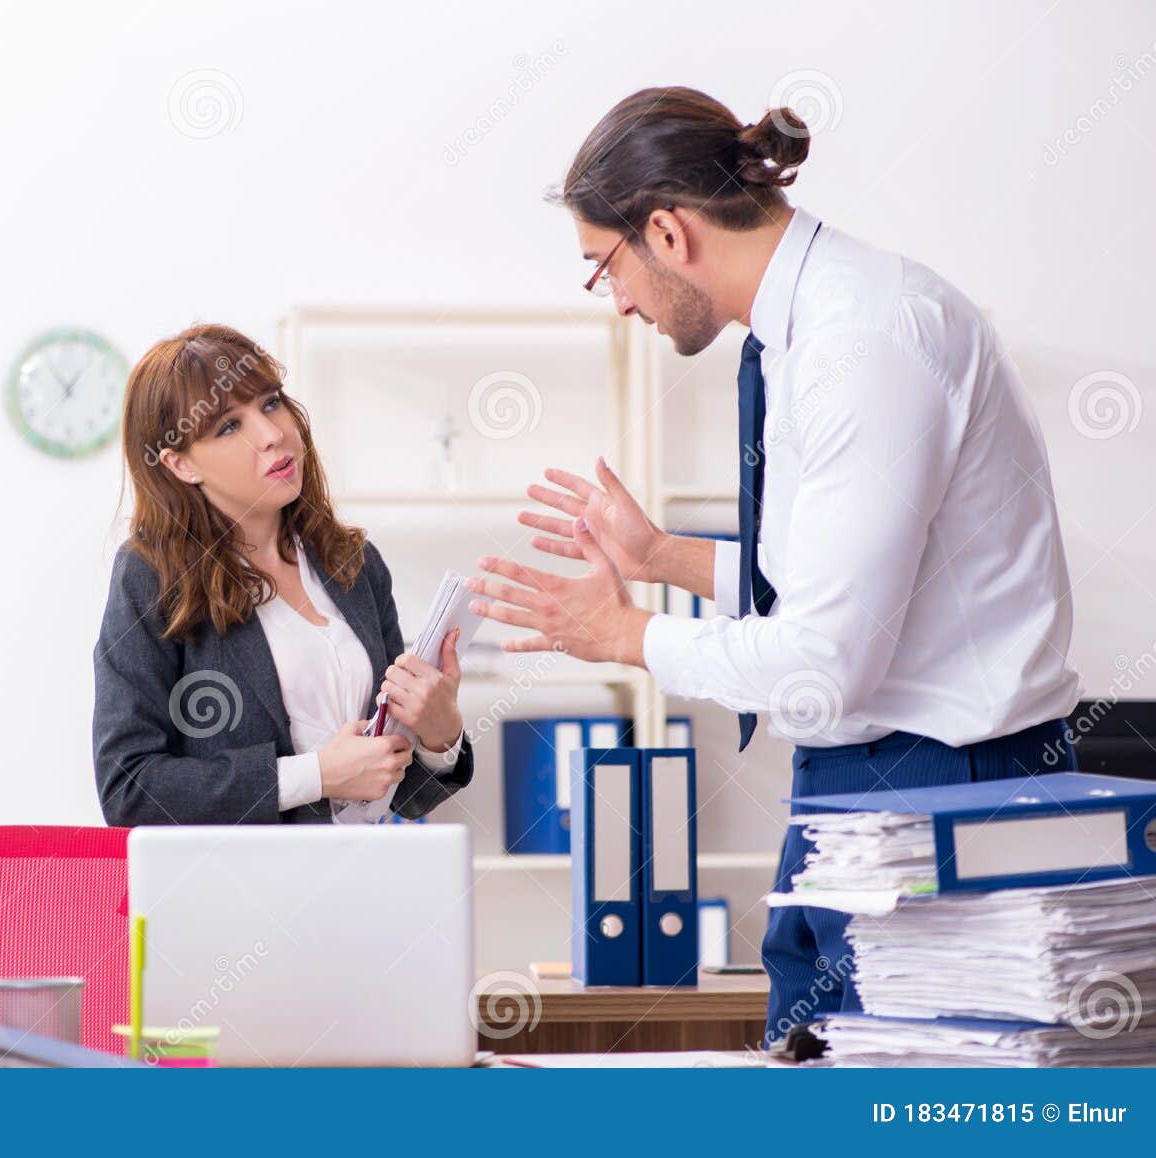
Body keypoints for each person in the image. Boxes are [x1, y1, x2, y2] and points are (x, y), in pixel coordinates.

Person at [465, 87, 1081, 1047]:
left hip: (945, 787)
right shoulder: (798, 336)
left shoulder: (865, 341)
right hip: (863, 778)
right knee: (810, 1069)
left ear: (666, 232)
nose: (617, 300)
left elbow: (825, 660)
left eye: (605, 269)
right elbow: (842, 581)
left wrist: (625, 634)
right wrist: (662, 558)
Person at [94, 323, 472, 826]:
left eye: (271, 402)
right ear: (181, 464)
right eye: (229, 426)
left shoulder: (352, 563)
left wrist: (439, 734)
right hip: (242, 892)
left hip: (370, 878)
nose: (273, 435)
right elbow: (130, 789)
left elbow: (399, 792)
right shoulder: (150, 575)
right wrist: (314, 775)